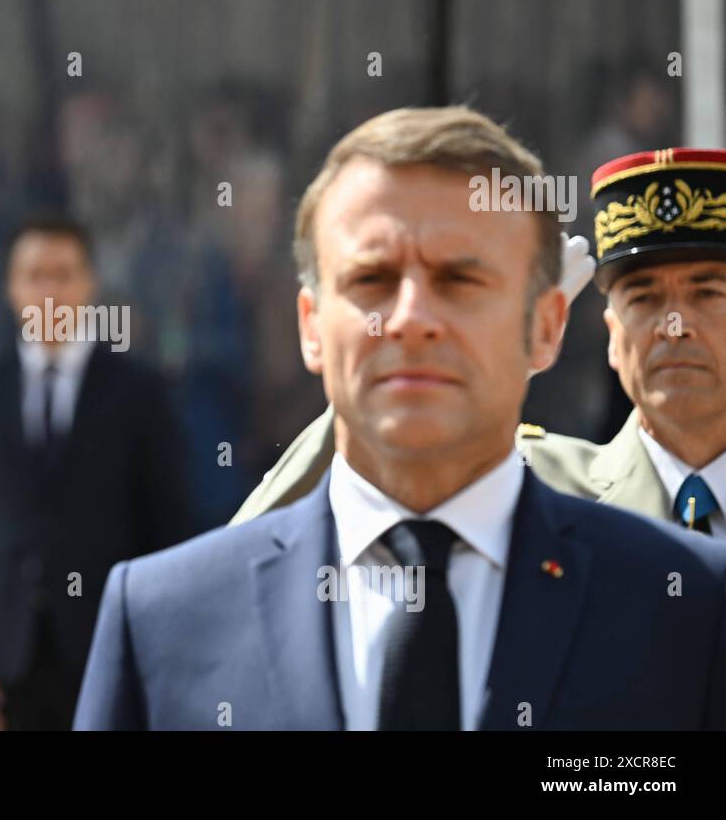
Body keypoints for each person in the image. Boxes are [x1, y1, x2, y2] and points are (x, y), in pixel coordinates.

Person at [74, 107, 726, 730]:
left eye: (461, 280)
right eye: (373, 279)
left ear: (548, 327)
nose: (412, 317)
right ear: (311, 326)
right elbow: (255, 550)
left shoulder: (690, 605)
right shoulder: (166, 622)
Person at [230, 148, 726, 533]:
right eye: (642, 299)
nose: (673, 325)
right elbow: (259, 553)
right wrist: (491, 358)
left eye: (707, 294)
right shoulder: (522, 480)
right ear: (611, 337)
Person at [0, 212, 195, 729]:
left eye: (64, 274)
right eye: (35, 275)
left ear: (90, 285)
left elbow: (167, 526)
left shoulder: (139, 393)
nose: (50, 290)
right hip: (8, 657)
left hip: (108, 646)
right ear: (12, 288)